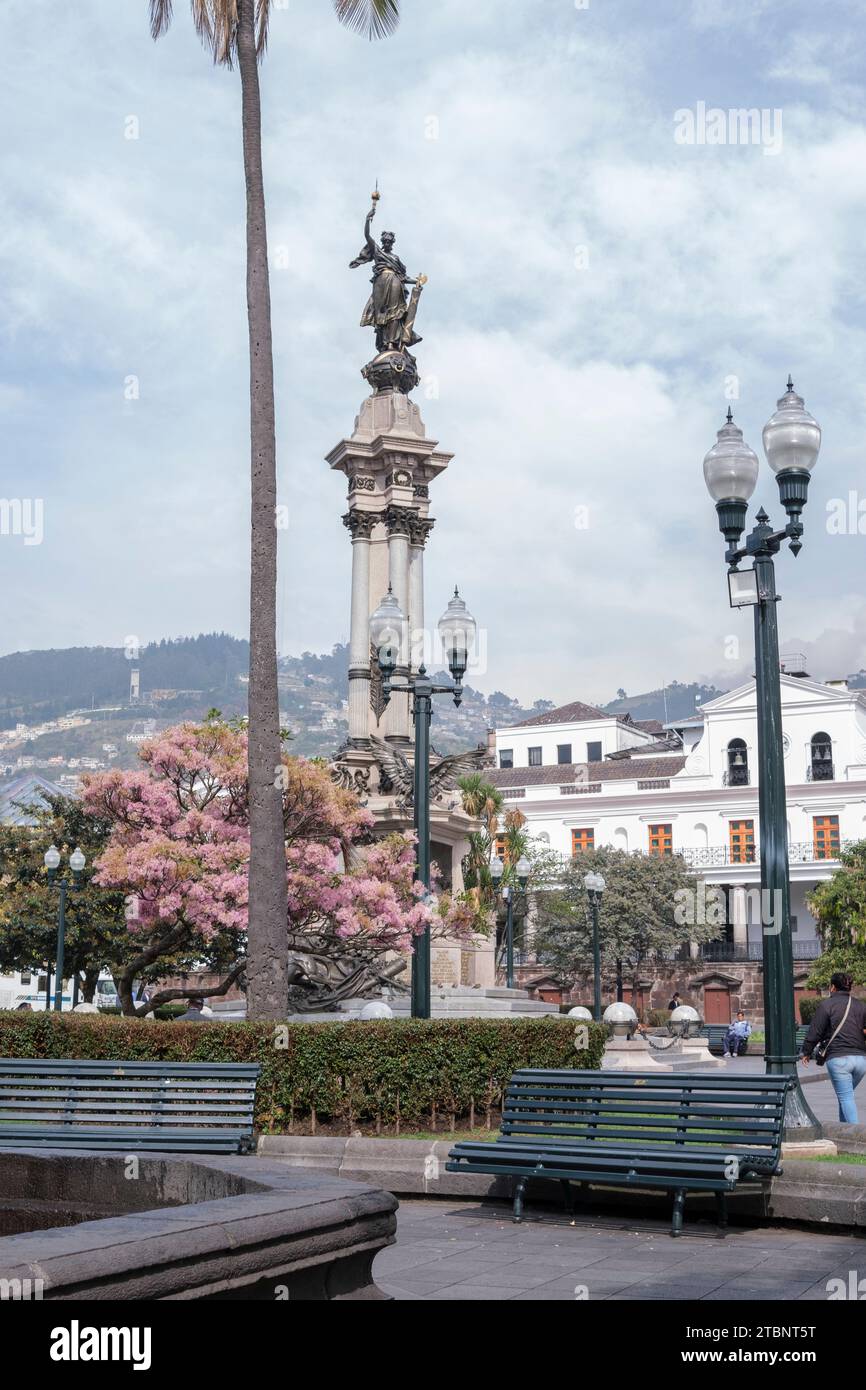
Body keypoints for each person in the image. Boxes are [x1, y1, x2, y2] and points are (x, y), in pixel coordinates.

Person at [801, 972, 866, 1123]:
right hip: (861, 1060)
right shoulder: (860, 1005)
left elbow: (815, 1030)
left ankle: (857, 1137)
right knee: (844, 1097)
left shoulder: (826, 1005)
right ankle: (843, 1132)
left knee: (845, 1097)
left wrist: (806, 1051)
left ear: (832, 987)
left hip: (839, 1058)